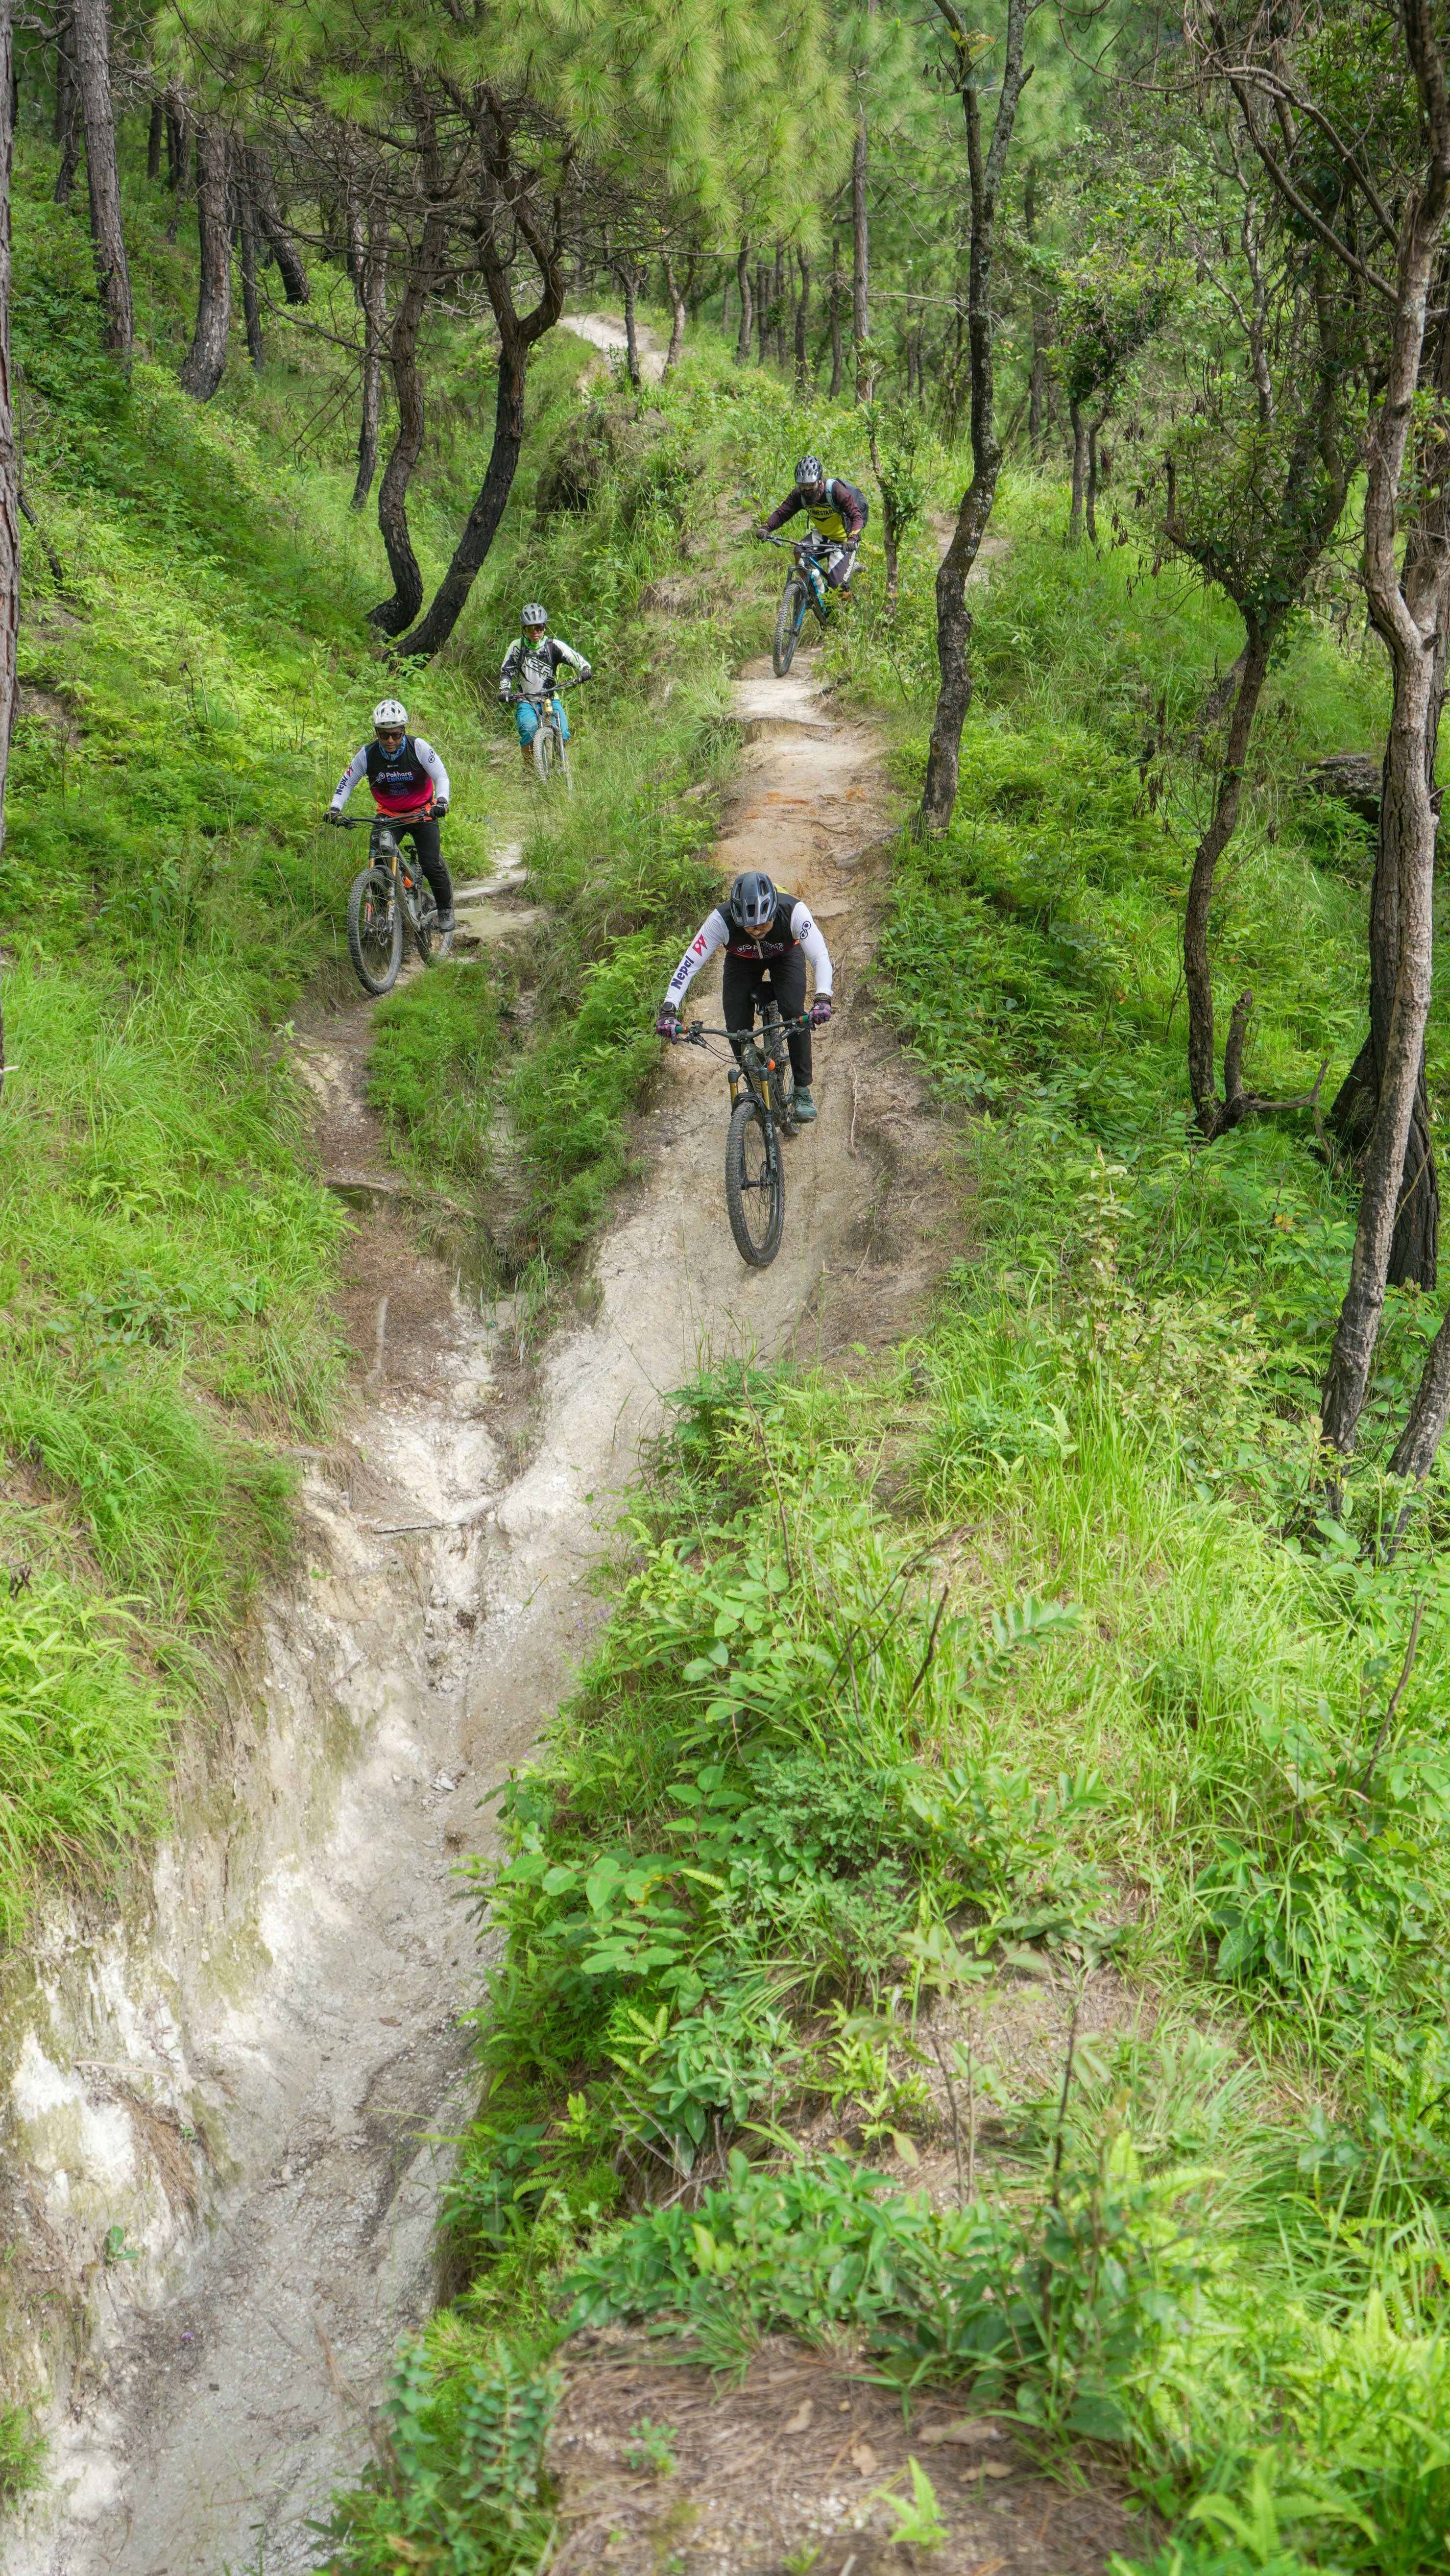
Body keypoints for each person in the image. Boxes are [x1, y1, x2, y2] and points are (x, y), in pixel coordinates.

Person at [655, 869, 833, 1124]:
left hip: (786, 956)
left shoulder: (794, 912)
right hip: (742, 961)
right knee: (736, 1026)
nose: (756, 930)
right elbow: (690, 963)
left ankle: (803, 1090)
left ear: (773, 911)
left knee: (794, 1011)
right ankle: (754, 1085)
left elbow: (820, 957)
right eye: (748, 926)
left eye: (763, 923)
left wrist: (823, 997)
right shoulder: (720, 920)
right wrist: (669, 1009)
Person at [328, 698, 454, 933]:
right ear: (377, 733)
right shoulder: (367, 755)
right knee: (378, 863)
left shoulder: (419, 748)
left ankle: (445, 908)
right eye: (384, 735)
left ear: (404, 731)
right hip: (388, 815)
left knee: (430, 863)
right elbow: (347, 781)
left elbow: (441, 776)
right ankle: (379, 915)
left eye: (396, 735)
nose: (390, 741)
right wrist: (335, 808)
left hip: (422, 813)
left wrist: (443, 801)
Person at [498, 604, 592, 772]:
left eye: (540, 628)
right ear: (524, 628)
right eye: (531, 628)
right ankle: (531, 770)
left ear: (545, 627)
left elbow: (576, 658)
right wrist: (505, 690)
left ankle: (559, 766)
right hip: (526, 699)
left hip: (550, 698)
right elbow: (507, 671)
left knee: (563, 731)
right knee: (529, 728)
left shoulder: (553, 646)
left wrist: (585, 670)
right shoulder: (516, 647)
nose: (535, 632)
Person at [756, 455, 869, 594]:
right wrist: (766, 528)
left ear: (820, 480)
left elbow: (857, 516)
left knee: (839, 587)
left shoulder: (835, 491)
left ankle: (846, 614)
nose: (807, 490)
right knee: (799, 552)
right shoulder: (800, 495)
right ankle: (814, 593)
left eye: (811, 485)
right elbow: (782, 514)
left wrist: (852, 540)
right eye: (803, 486)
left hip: (844, 540)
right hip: (822, 535)